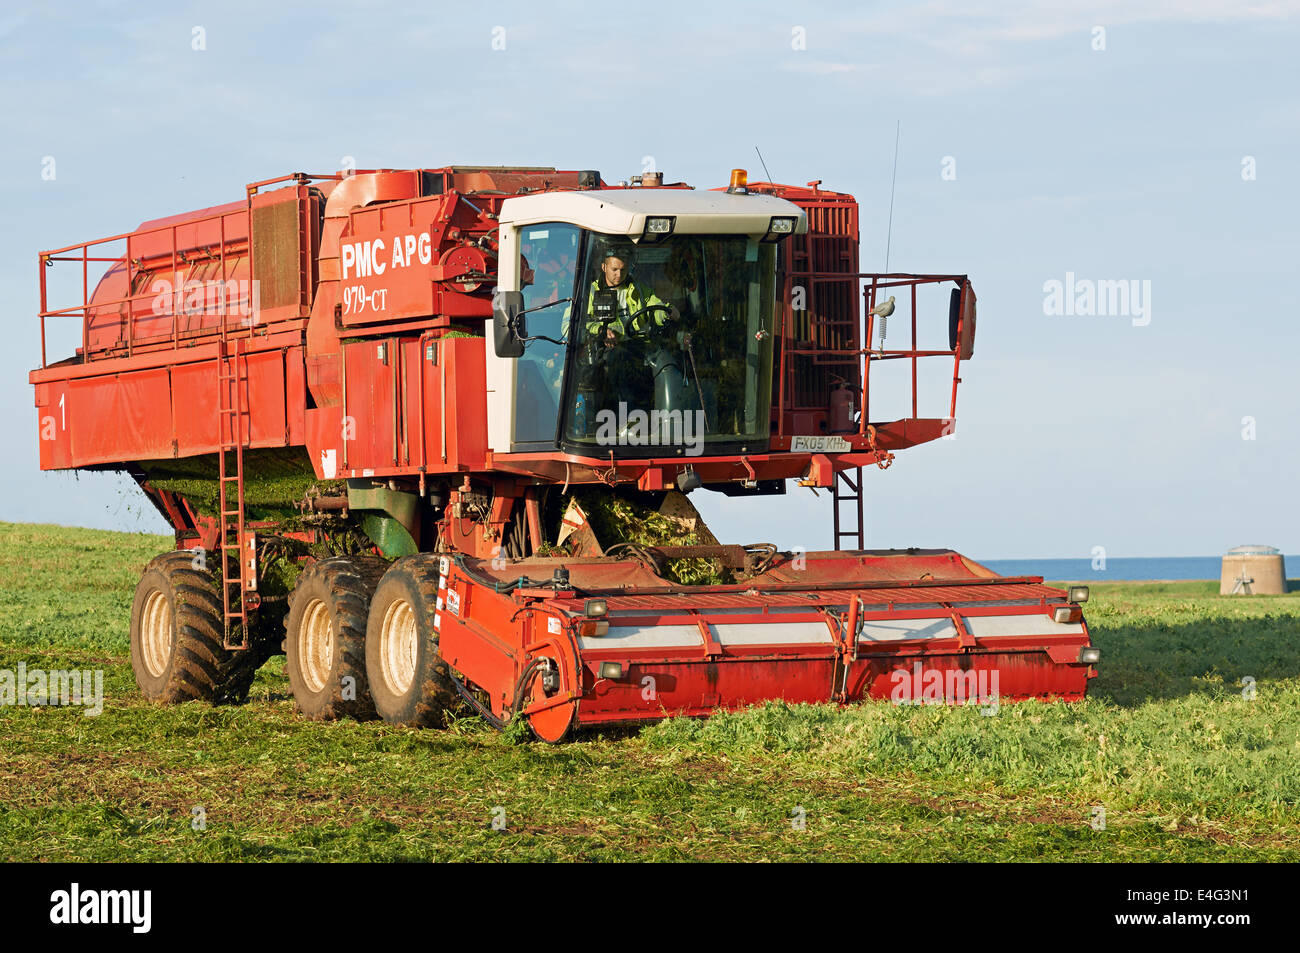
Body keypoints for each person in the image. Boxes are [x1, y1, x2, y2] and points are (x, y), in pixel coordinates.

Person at [583, 244, 679, 347]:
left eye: (623, 270)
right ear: (604, 267)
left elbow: (656, 306)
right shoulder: (590, 292)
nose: (619, 275)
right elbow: (572, 324)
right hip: (608, 350)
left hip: (640, 347)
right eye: (614, 269)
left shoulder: (638, 289)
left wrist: (667, 312)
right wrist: (601, 330)